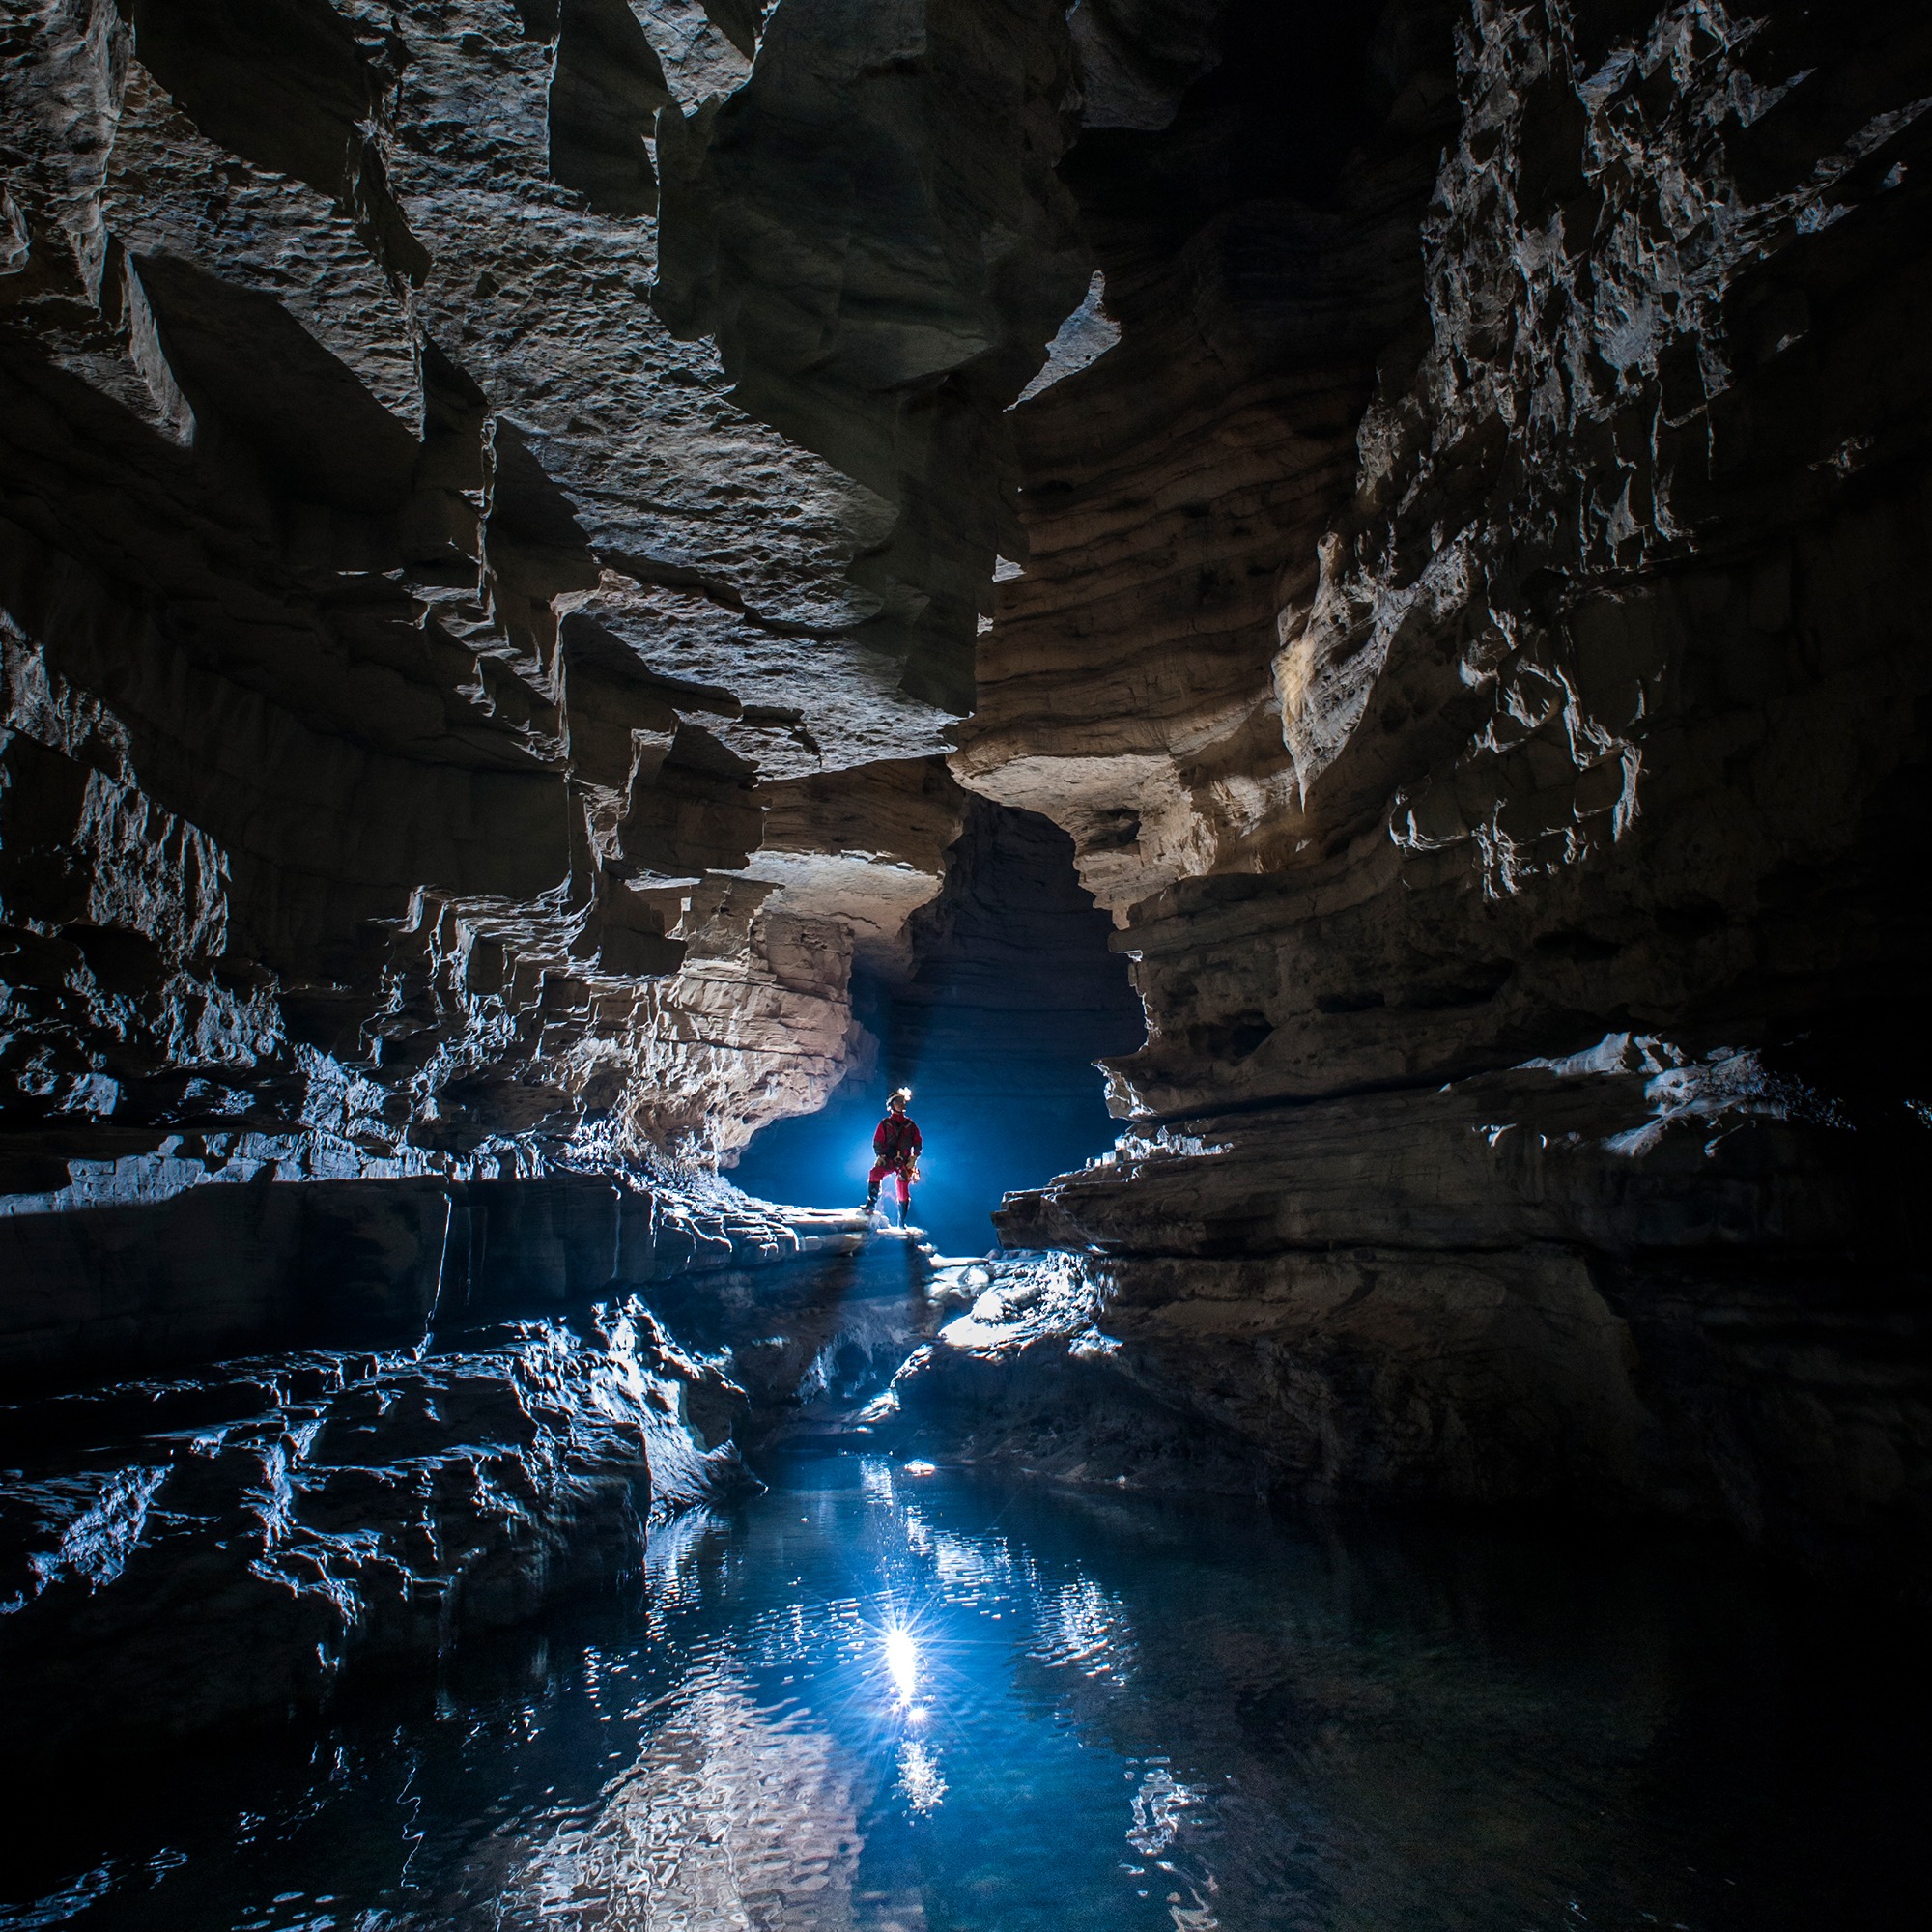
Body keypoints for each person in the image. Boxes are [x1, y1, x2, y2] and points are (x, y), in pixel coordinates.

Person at [865, 1088, 922, 1226]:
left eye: (903, 1102)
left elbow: (918, 1142)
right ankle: (871, 1204)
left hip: (904, 1162)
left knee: (902, 1187)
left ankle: (901, 1221)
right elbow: (878, 1141)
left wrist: (914, 1158)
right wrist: (880, 1156)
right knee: (875, 1173)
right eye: (898, 1102)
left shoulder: (910, 1125)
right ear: (891, 1105)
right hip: (888, 1159)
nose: (902, 1104)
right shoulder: (885, 1124)